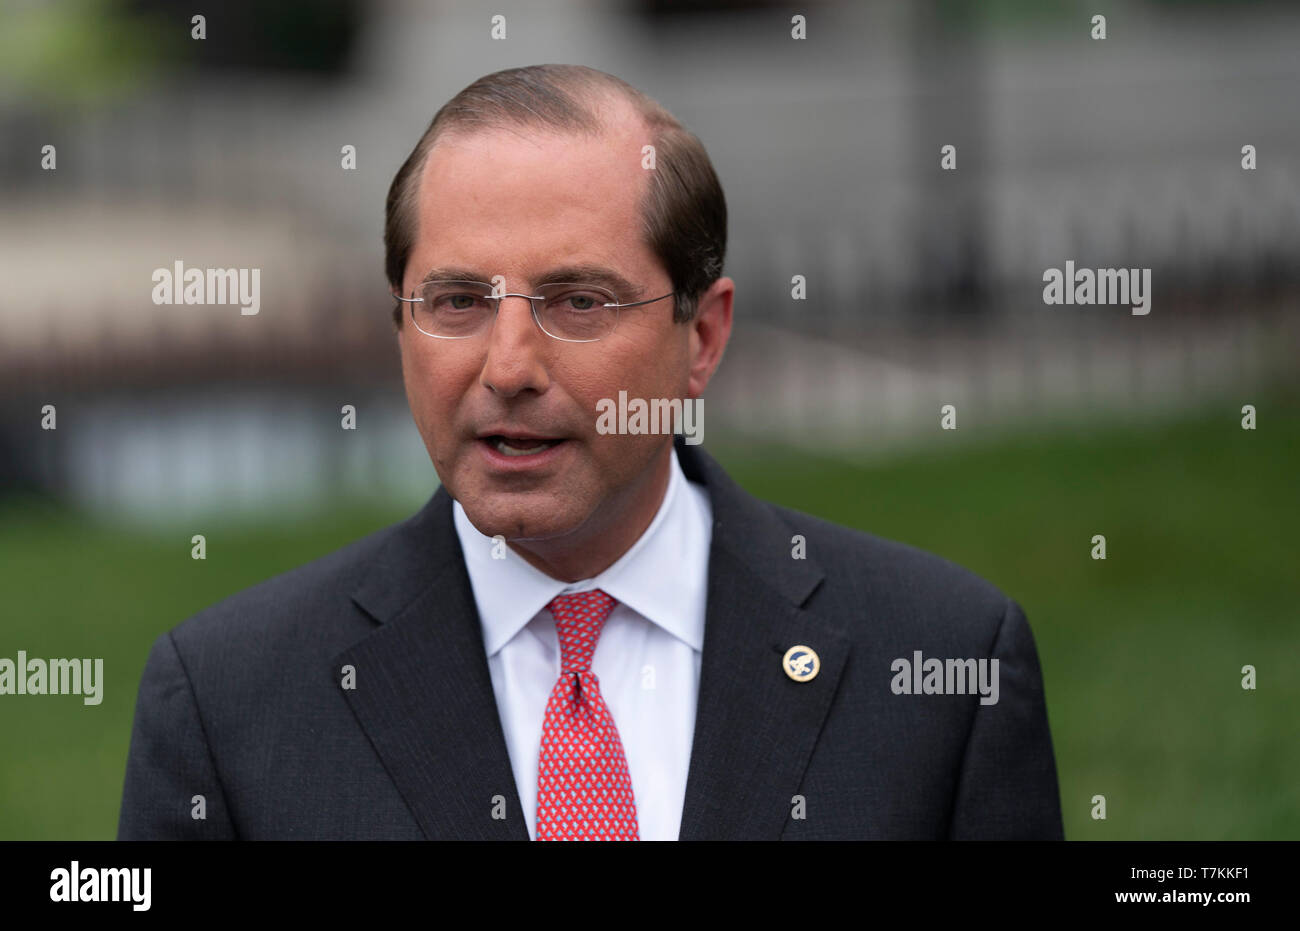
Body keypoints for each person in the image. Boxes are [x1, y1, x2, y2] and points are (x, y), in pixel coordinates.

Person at [118, 64, 1063, 841]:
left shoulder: (944, 666)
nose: (509, 366)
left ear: (702, 337)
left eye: (579, 302)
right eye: (456, 303)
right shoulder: (229, 705)